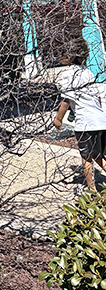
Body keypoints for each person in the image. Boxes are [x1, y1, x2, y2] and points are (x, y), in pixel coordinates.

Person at [53, 36, 106, 191]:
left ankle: (92, 189)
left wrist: (58, 119)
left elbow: (66, 101)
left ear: (69, 56)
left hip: (85, 123)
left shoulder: (68, 74)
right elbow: (97, 97)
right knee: (98, 154)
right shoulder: (88, 72)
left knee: (86, 158)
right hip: (99, 120)